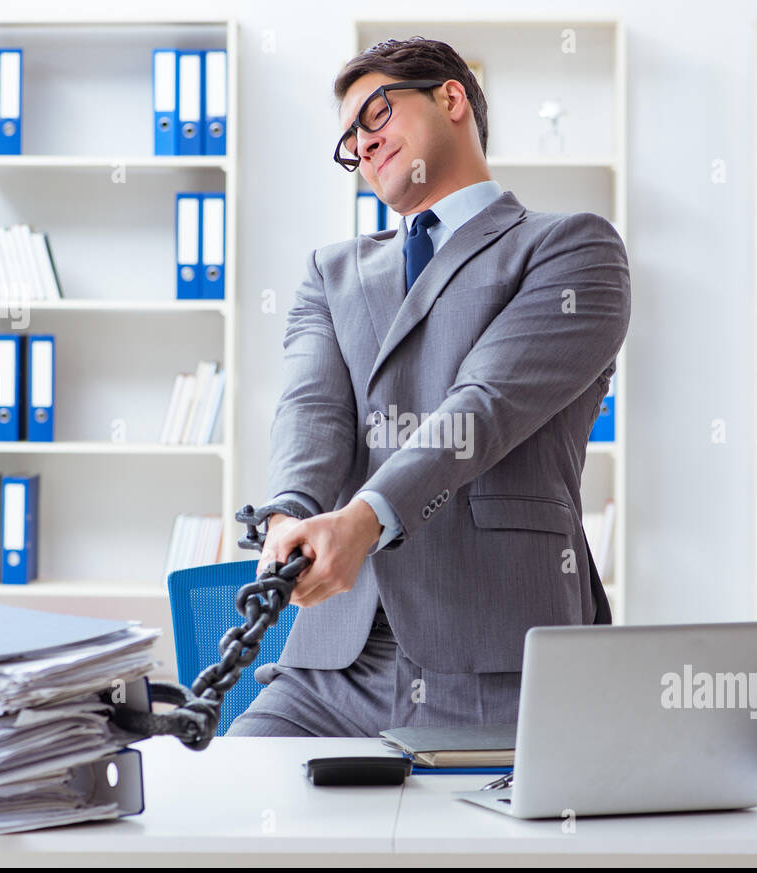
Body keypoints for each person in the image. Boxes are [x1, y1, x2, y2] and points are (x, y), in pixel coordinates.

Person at [227, 36, 630, 737]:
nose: (362, 143)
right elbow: (312, 411)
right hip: (331, 670)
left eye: (375, 114)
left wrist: (362, 521)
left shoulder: (570, 249)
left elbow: (484, 408)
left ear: (450, 98)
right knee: (231, 825)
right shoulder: (332, 272)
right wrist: (290, 514)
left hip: (499, 658)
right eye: (350, 139)